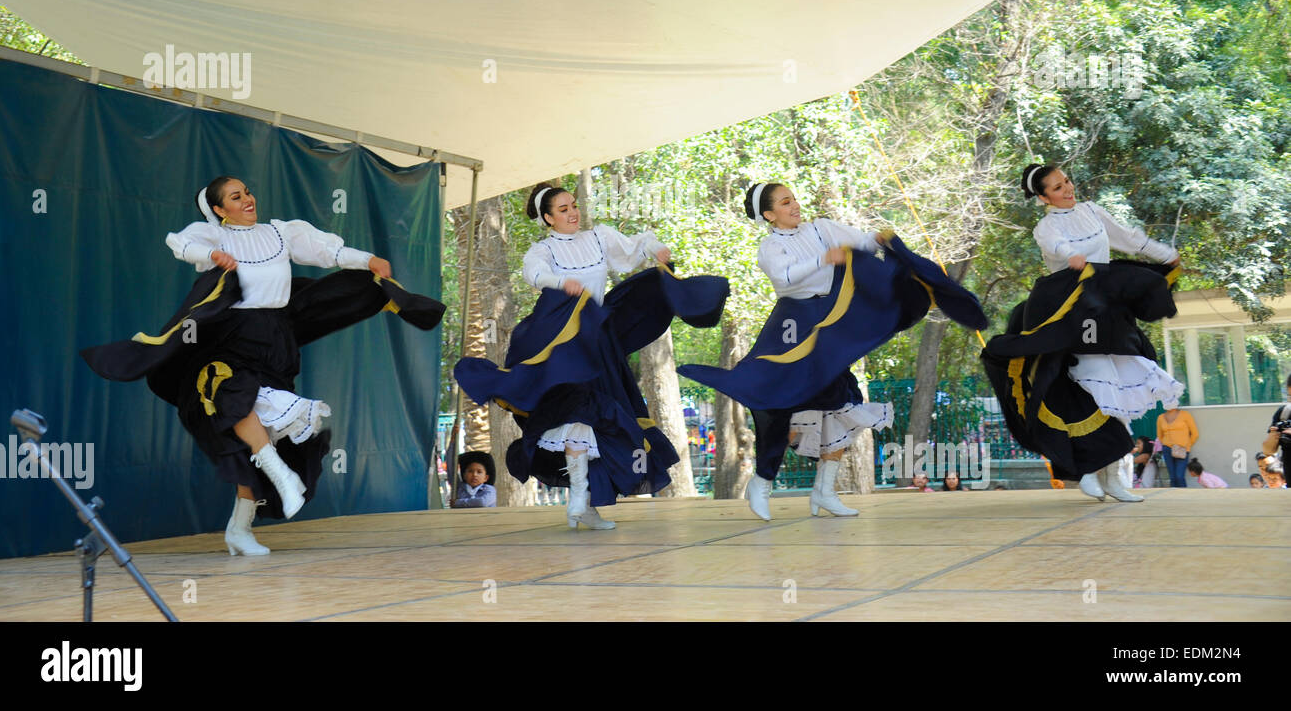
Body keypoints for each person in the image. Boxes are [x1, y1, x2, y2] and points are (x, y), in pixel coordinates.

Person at [82, 176, 443, 556]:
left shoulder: (280, 233)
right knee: (233, 396)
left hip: (275, 342)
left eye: (248, 192)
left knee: (256, 435)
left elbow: (327, 251)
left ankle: (239, 528)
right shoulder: (216, 237)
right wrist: (212, 256)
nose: (247, 199)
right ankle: (281, 476)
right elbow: (182, 243)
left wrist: (366, 260)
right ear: (219, 209)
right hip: (229, 337)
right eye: (235, 197)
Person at [678, 183, 986, 520]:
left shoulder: (822, 228)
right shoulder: (770, 247)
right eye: (785, 202)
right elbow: (784, 279)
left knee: (842, 403)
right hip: (794, 326)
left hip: (830, 321)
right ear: (769, 214)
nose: (794, 205)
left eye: (794, 198)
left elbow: (862, 242)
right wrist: (824, 258)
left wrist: (880, 239)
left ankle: (824, 491)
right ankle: (762, 482)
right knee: (783, 405)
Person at [454, 183, 728, 530]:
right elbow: (533, 274)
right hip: (564, 343)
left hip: (599, 343)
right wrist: (560, 282)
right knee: (578, 413)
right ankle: (581, 501)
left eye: (573, 205)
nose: (573, 212)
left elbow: (634, 247)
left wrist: (655, 248)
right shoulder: (543, 250)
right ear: (548, 218)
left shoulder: (599, 237)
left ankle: (585, 504)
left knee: (599, 421)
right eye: (563, 209)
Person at [982, 164, 1182, 505]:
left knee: (1117, 397)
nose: (1067, 189)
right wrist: (1070, 255)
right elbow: (1057, 246)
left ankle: (1113, 479)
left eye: (1067, 181)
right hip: (1070, 314)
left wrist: (1166, 255)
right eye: (1057, 187)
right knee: (1093, 387)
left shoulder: (1092, 211)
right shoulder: (1045, 227)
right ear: (1043, 197)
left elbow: (1129, 239)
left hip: (1106, 310)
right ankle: (1087, 468)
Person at [1156, 402, 1199, 488]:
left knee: (1179, 476)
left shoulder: (1185, 415)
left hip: (1182, 449)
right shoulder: (1160, 417)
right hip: (1167, 449)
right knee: (1172, 477)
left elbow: (1195, 434)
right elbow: (1160, 435)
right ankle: (1173, 495)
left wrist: (1187, 445)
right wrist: (1166, 444)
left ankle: (1184, 495)